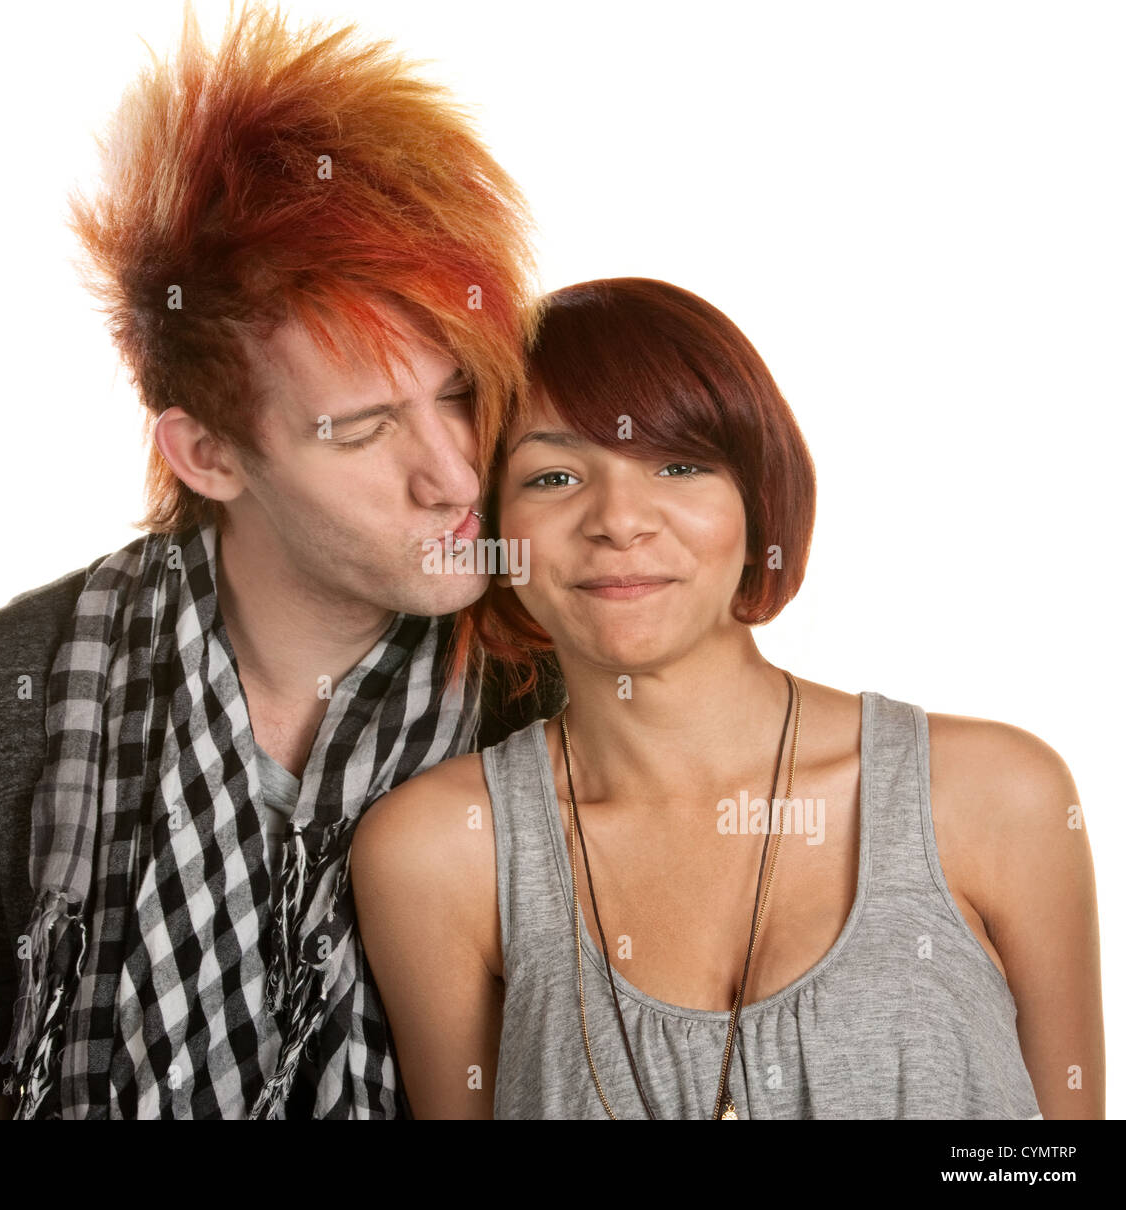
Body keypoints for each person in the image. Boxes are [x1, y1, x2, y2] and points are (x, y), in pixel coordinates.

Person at [0, 2, 551, 1120]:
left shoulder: (560, 692)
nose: (454, 476)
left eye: (461, 393)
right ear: (208, 453)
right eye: (364, 428)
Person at [351, 276, 1106, 1120]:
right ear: (486, 525)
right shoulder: (439, 854)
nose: (620, 519)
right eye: (554, 477)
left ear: (757, 501)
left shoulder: (997, 795)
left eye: (680, 465)